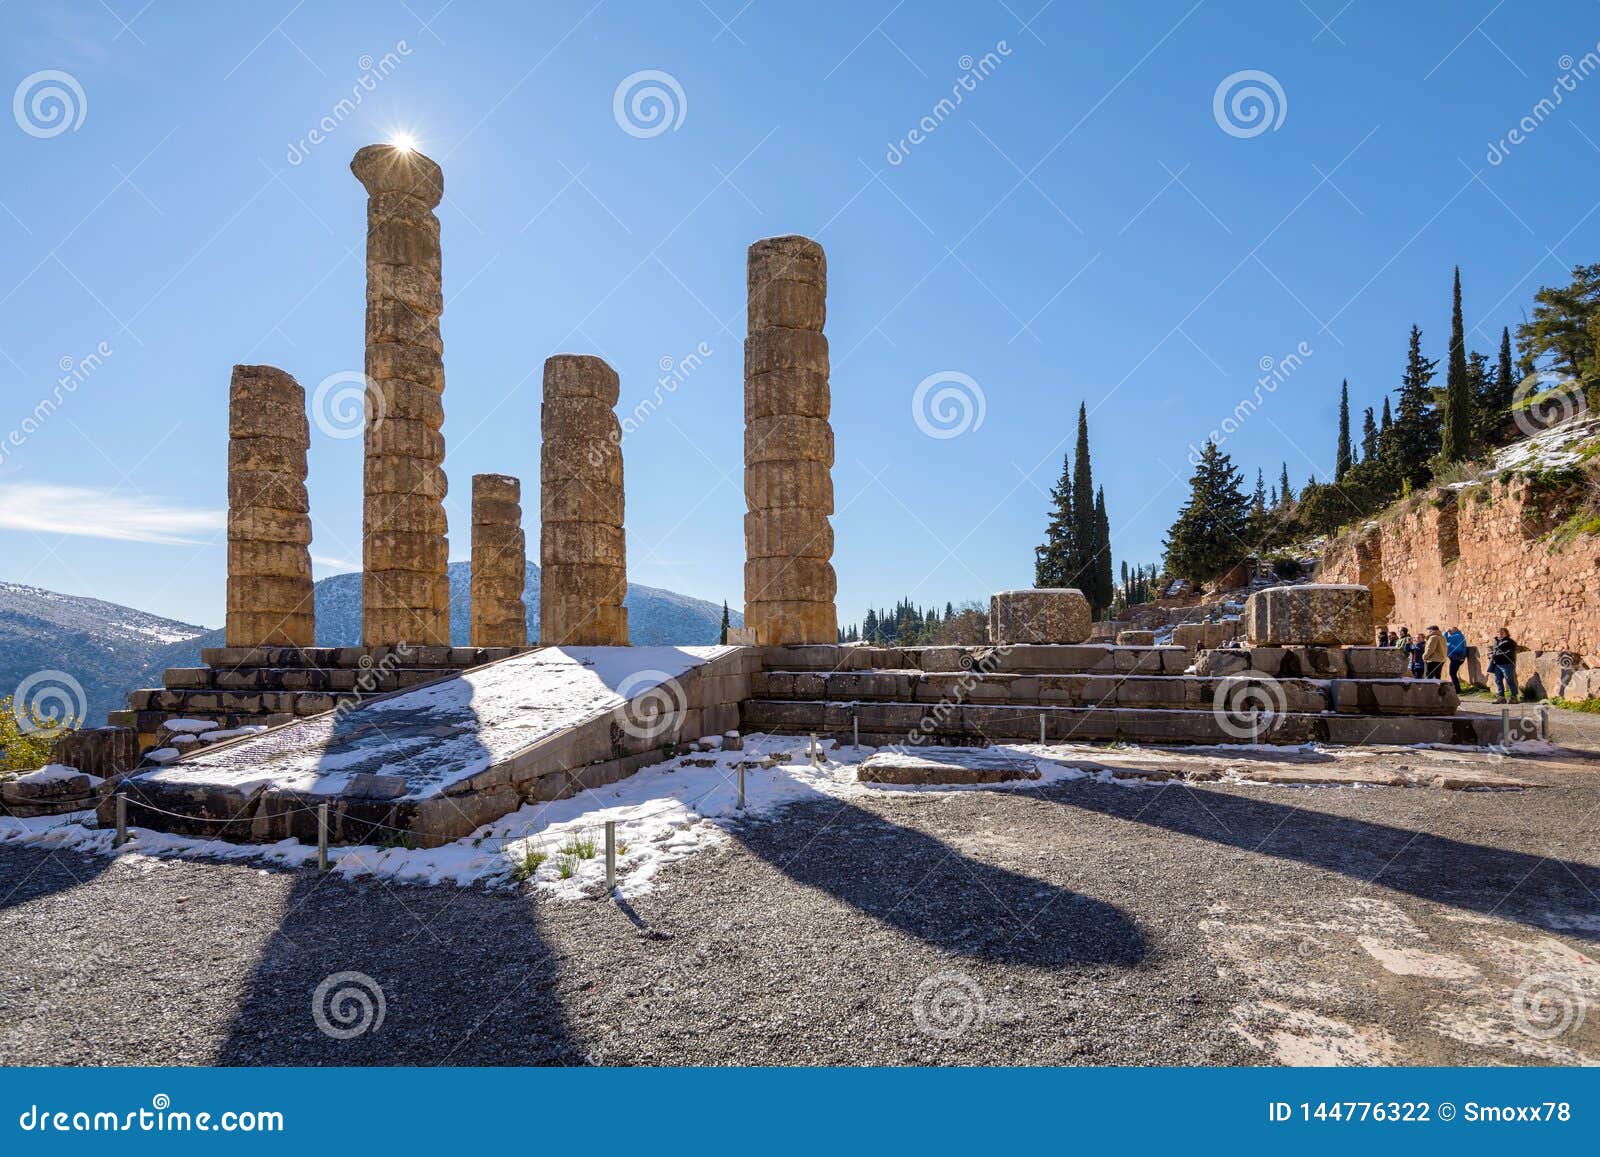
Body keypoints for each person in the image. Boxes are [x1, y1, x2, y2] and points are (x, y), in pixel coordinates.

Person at [1489, 628, 1519, 703]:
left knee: (1509, 680)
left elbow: (1509, 653)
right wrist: (1491, 654)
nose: (1500, 634)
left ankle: (1514, 697)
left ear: (1506, 633)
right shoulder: (1496, 641)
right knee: (1498, 680)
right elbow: (1495, 651)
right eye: (1498, 632)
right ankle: (1501, 697)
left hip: (1507, 664)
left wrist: (1495, 656)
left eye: (1502, 632)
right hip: (1497, 664)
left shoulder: (1510, 642)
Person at [1444, 625, 1468, 692]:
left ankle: (1457, 689)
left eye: (1450, 630)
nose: (1449, 632)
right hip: (1457, 657)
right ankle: (1457, 688)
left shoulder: (1456, 636)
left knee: (1452, 673)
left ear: (1454, 630)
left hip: (1456, 657)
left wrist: (1446, 632)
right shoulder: (1458, 635)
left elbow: (1444, 639)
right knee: (1453, 673)